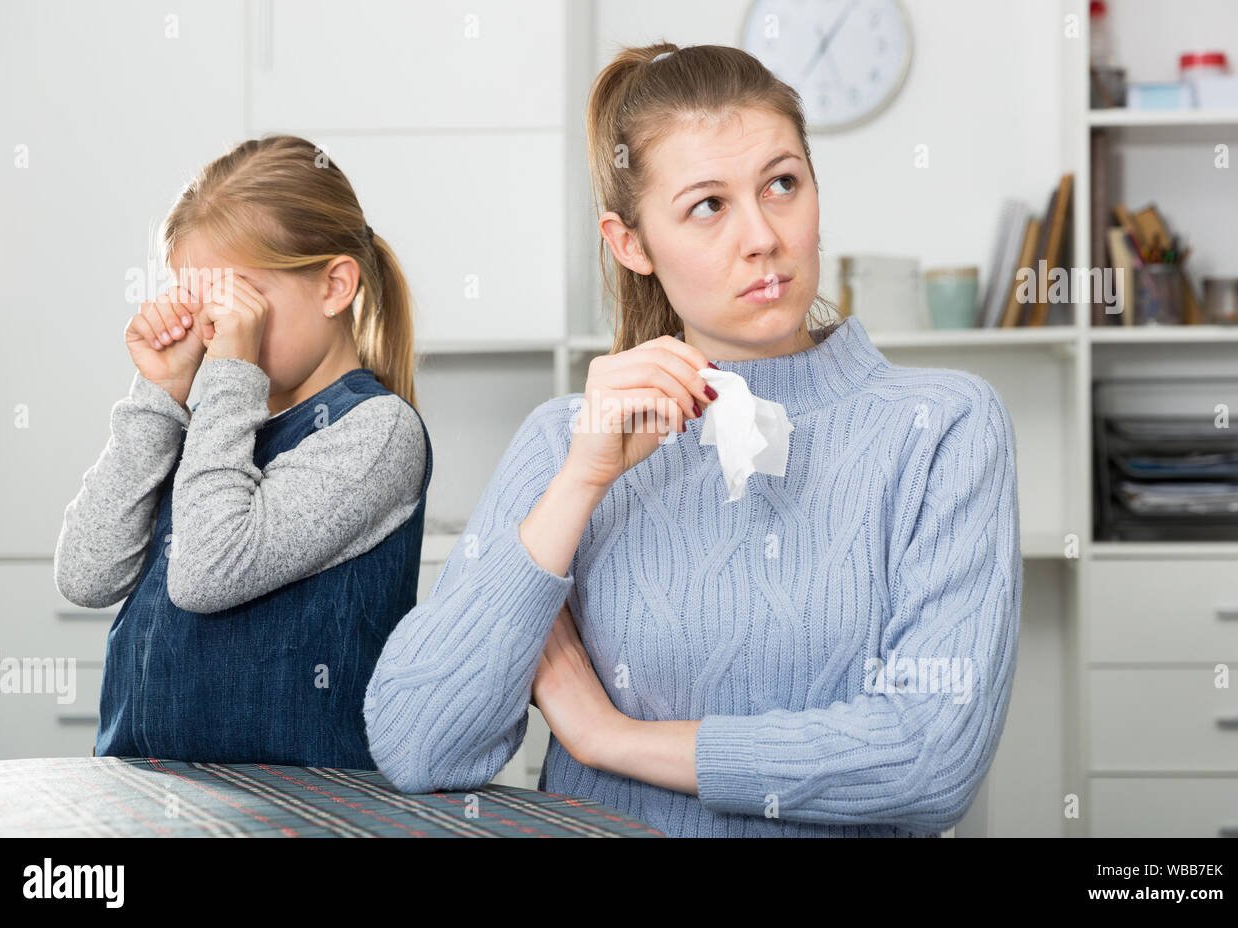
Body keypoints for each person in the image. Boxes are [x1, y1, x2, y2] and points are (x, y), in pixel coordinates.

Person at [364, 43, 1021, 837]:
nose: (762, 237)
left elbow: (931, 758)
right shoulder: (564, 442)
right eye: (708, 205)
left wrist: (613, 739)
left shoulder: (943, 427)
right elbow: (418, 745)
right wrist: (579, 483)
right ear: (630, 243)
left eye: (783, 184)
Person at [55, 135, 431, 769]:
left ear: (335, 285)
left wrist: (228, 377)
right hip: (149, 792)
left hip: (292, 808)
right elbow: (87, 576)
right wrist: (161, 394)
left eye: (236, 303)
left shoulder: (378, 433)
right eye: (198, 305)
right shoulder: (213, 430)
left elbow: (208, 571)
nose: (213, 333)